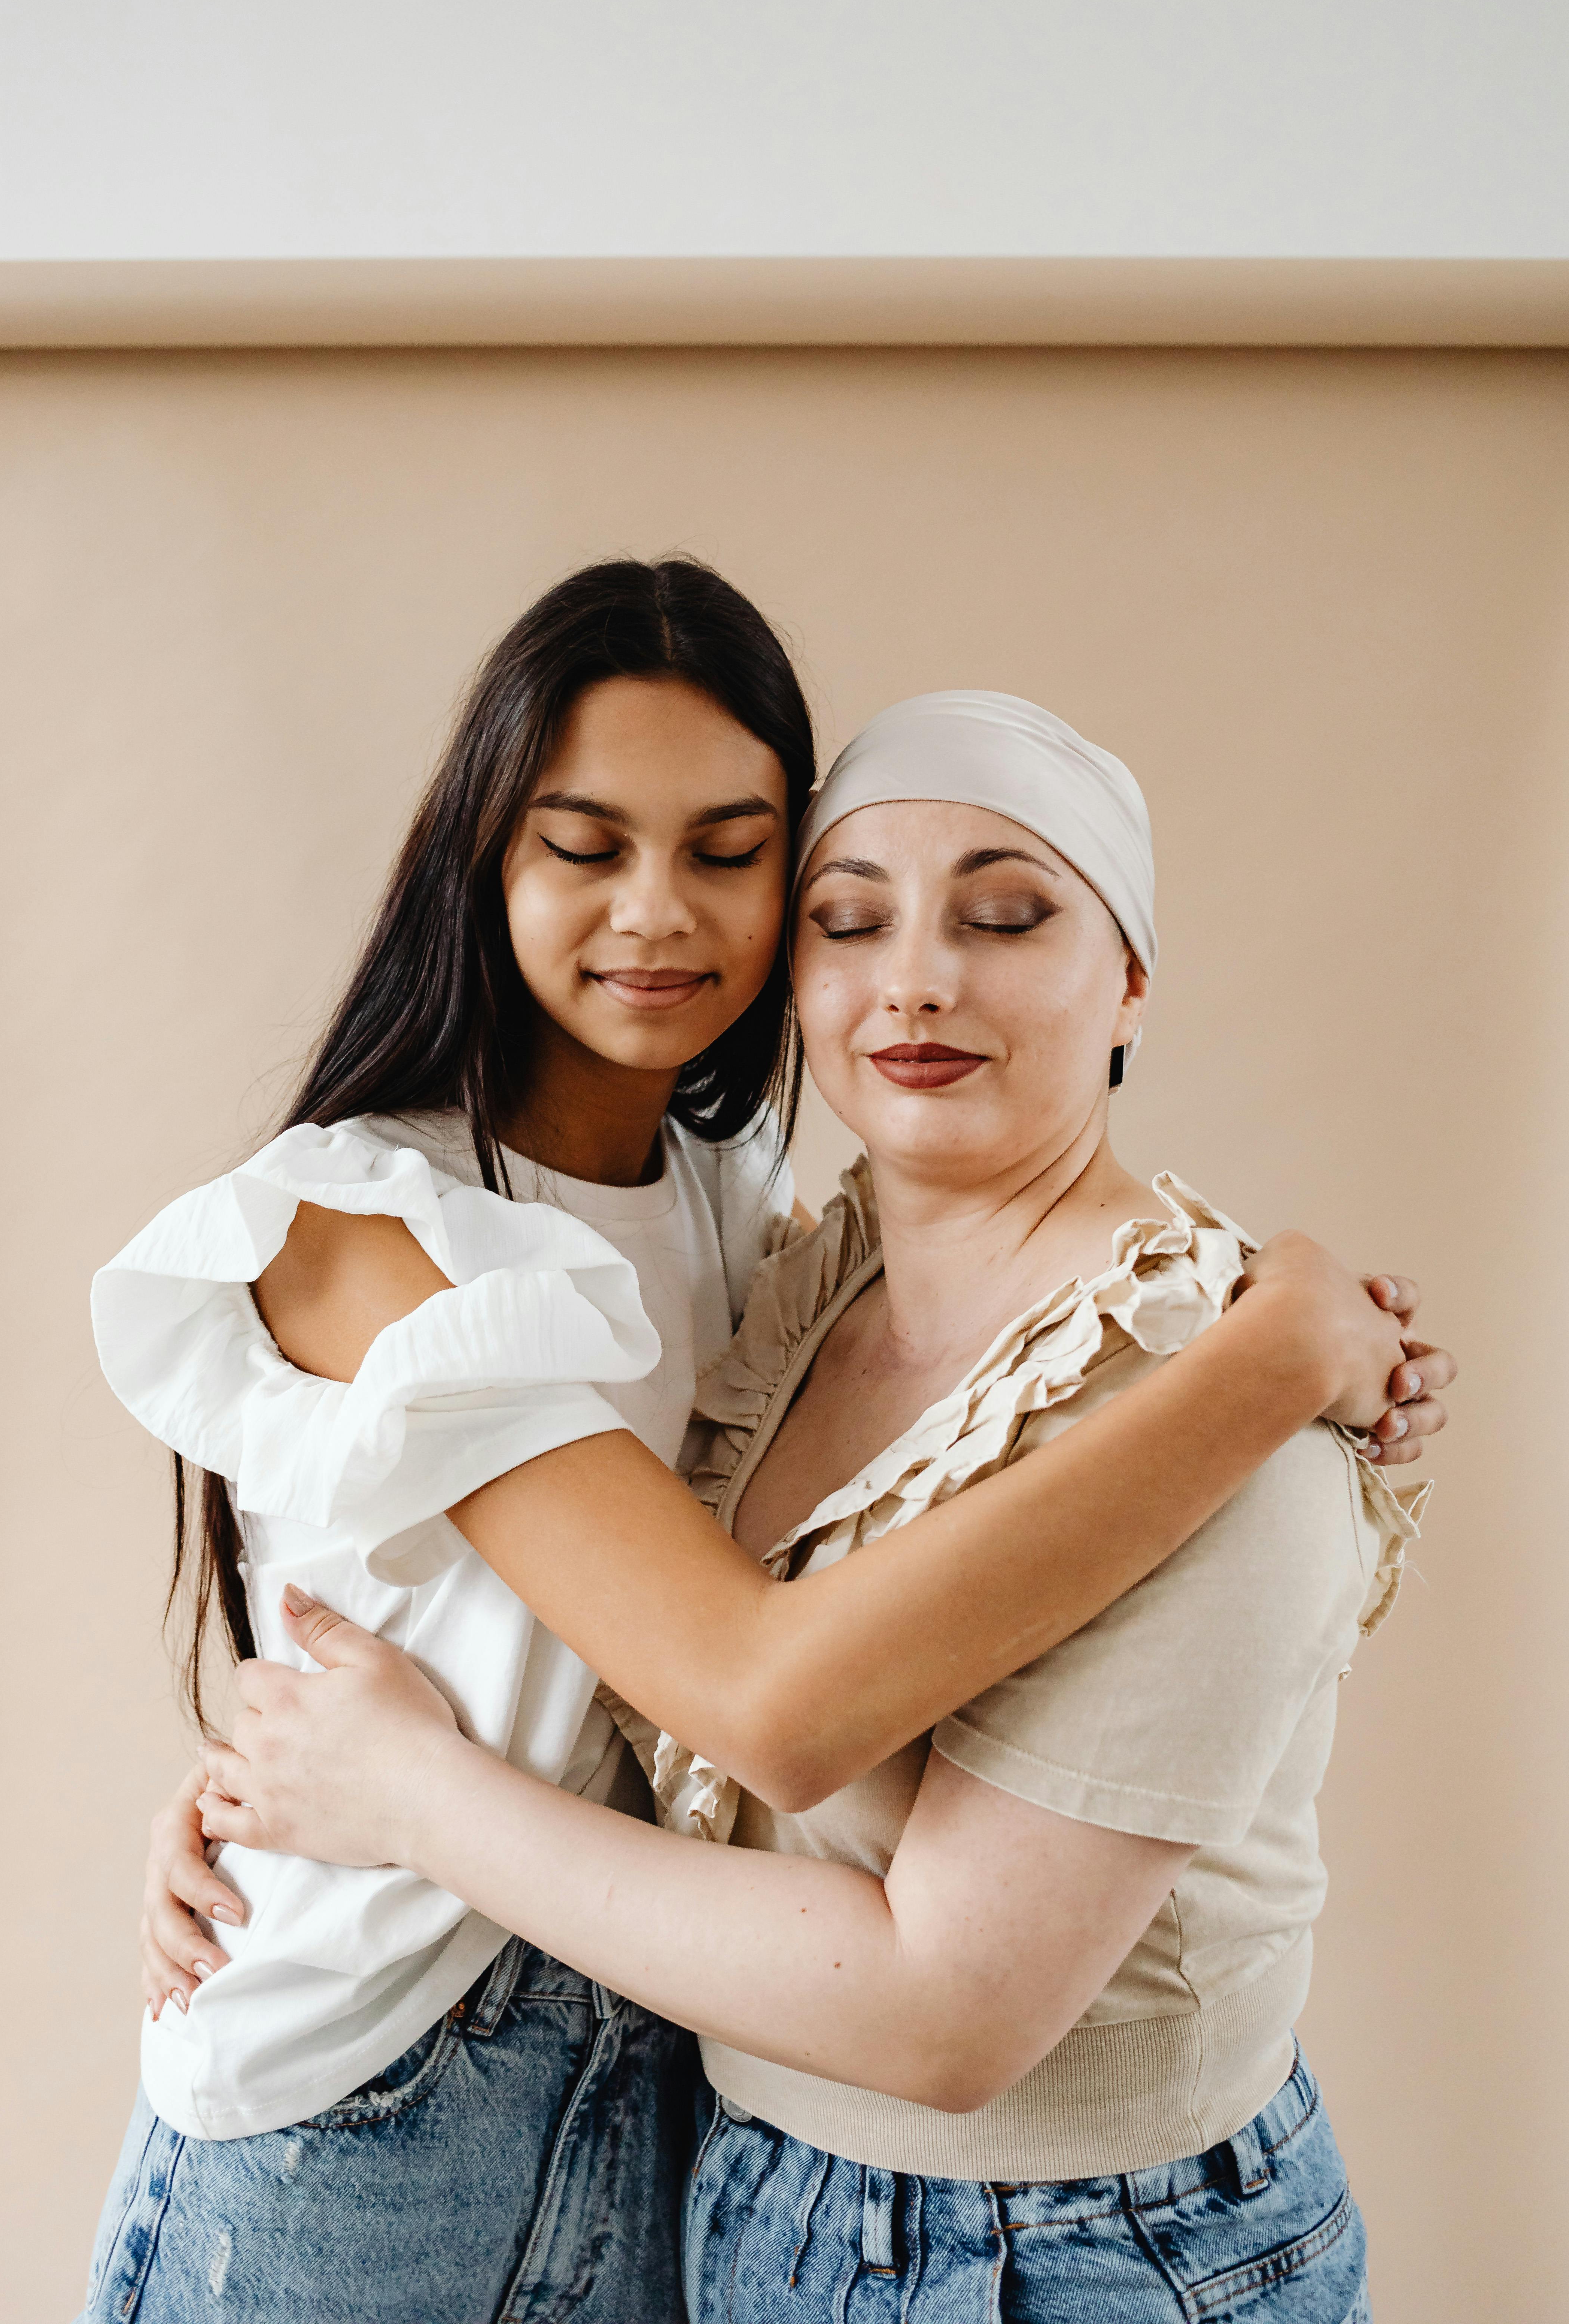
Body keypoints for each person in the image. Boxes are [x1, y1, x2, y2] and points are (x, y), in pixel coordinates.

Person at [196, 690, 1441, 2321]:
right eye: (850, 921)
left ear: (1132, 977)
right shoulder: (780, 1289)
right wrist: (252, 1784)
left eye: (1007, 915)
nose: (917, 977)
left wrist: (413, 1798)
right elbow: (565, 1614)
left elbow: (946, 2015)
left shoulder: (1220, 1414)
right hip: (731, 2187)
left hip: (1076, 2254)